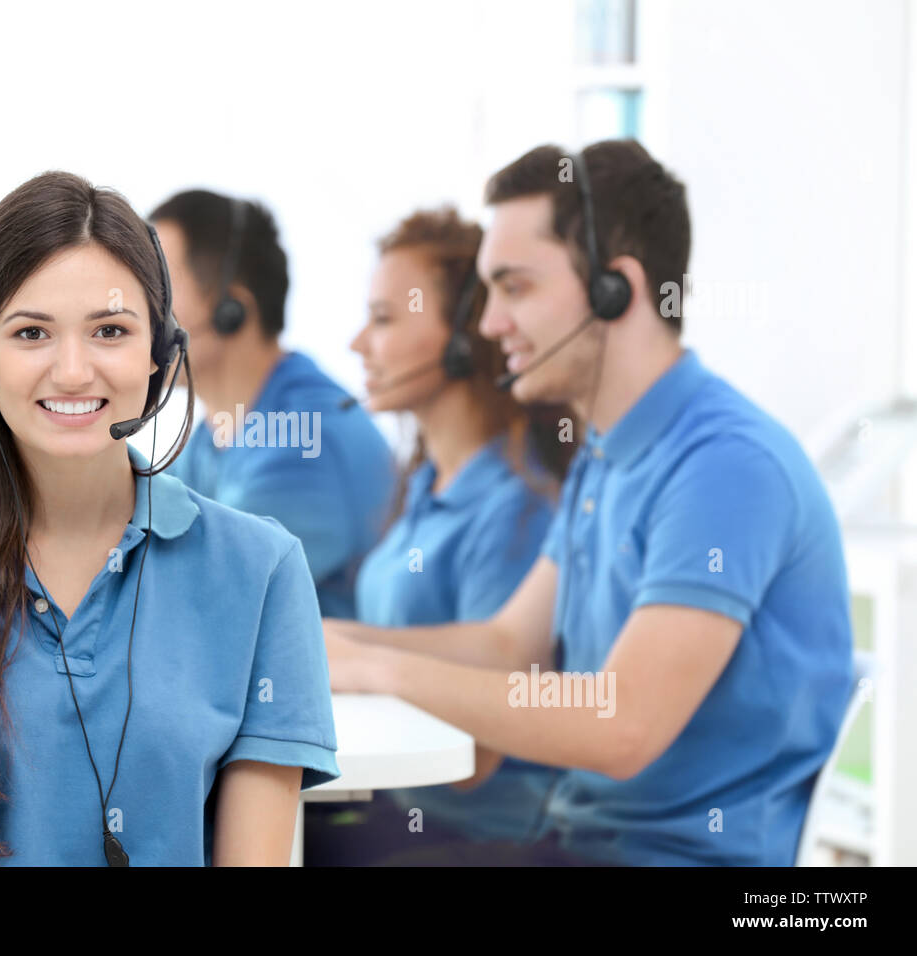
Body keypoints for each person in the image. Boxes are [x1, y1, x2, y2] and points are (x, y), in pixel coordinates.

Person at [323, 140, 854, 866]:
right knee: (310, 844)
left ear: (617, 289)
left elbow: (623, 724)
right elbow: (508, 645)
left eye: (515, 288)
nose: (488, 325)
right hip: (584, 845)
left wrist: (382, 672)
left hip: (677, 861)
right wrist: (341, 645)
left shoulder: (725, 466)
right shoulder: (605, 456)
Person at [0, 171, 340, 866]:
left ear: (159, 352)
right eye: (31, 332)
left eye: (110, 330)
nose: (73, 370)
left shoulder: (262, 570)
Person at [304, 207, 574, 866]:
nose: (359, 343)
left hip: (481, 830)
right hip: (403, 805)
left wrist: (350, 655)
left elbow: (477, 757)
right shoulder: (426, 485)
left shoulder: (518, 507)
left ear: (463, 340)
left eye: (385, 319)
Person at [150, 190, 396, 618]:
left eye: (157, 289)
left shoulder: (306, 444)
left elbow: (192, 604)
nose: (133, 313)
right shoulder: (214, 438)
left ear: (232, 311)